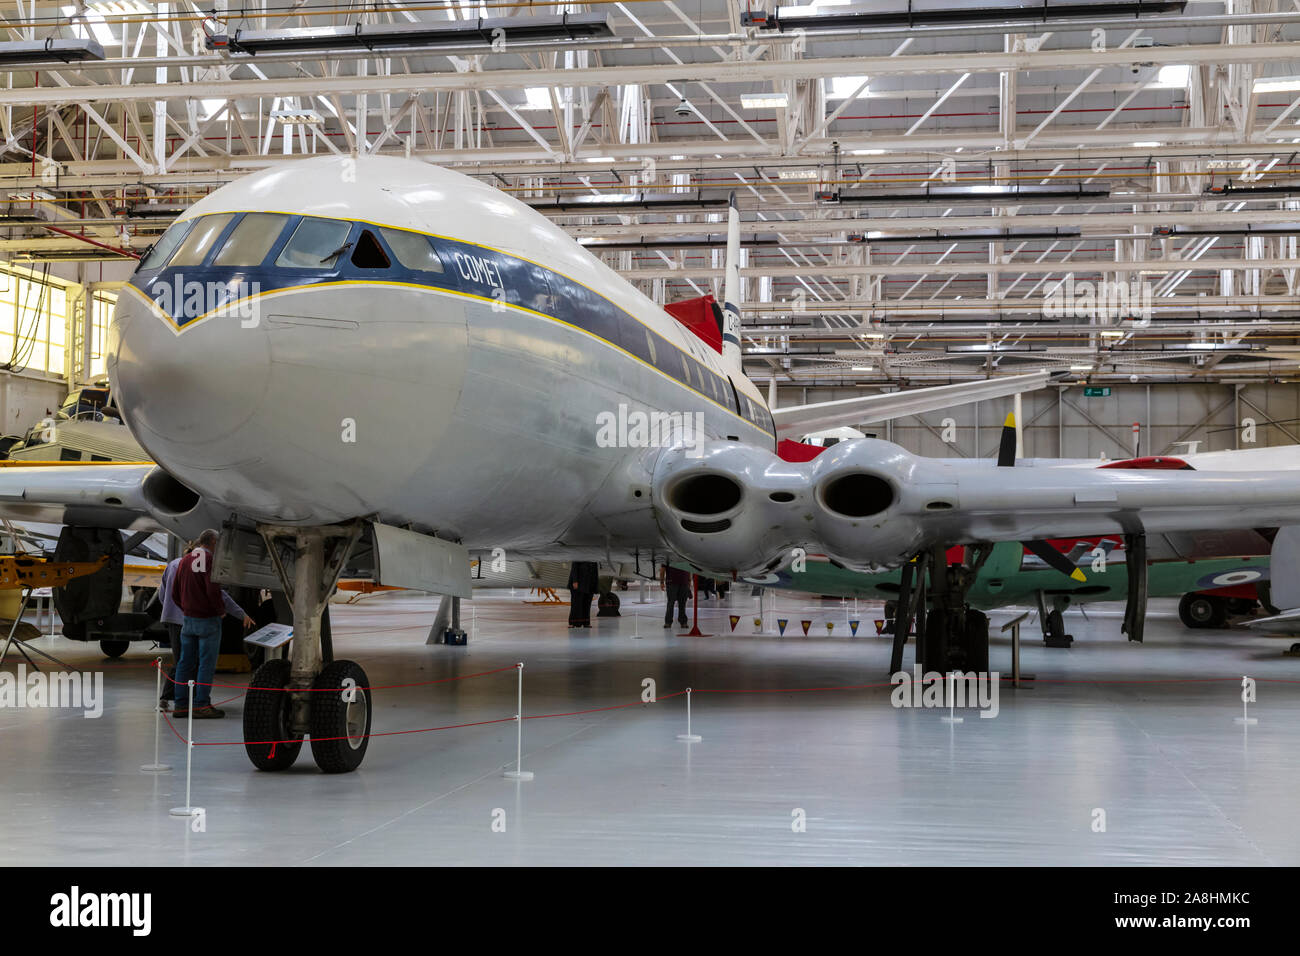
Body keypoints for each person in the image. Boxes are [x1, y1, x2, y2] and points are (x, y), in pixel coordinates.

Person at [157, 542, 255, 711]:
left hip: (178, 618)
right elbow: (217, 593)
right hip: (198, 618)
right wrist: (223, 612)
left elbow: (166, 593)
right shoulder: (204, 563)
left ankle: (180, 702)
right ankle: (198, 702)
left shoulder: (176, 564)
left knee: (183, 661)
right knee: (204, 663)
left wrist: (180, 609)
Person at [567, 561, 600, 628]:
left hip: (589, 583)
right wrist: (575, 580)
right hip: (578, 583)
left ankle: (586, 622)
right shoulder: (580, 553)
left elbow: (595, 571)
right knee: (576, 604)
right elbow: (574, 566)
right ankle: (573, 623)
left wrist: (595, 585)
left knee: (587, 604)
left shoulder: (593, 556)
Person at [660, 562, 691, 628]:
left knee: (682, 603)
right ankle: (668, 622)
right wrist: (662, 582)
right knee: (671, 603)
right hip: (671, 583)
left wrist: (689, 582)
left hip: (684, 583)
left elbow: (689, 569)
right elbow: (662, 569)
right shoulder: (668, 555)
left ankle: (683, 622)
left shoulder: (685, 556)